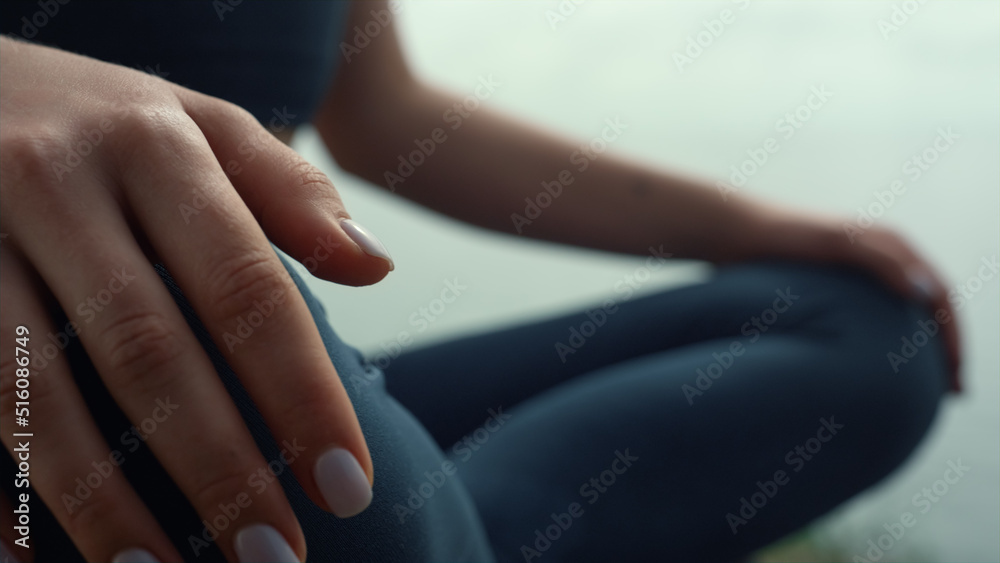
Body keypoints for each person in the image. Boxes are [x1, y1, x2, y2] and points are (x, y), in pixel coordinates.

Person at [0, 1, 960, 562]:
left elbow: (383, 114)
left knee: (872, 332)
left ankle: (432, 526)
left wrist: (758, 227)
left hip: (286, 367)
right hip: (44, 374)